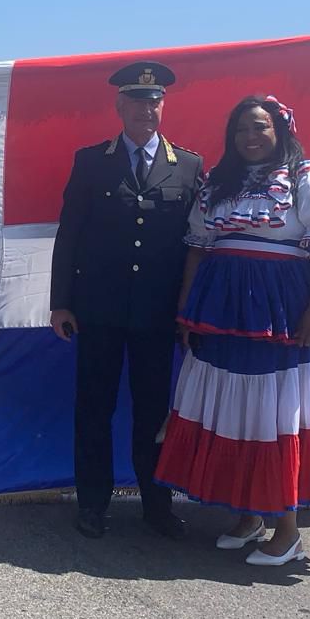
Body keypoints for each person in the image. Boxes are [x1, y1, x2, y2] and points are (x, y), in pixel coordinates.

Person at [155, 97, 310, 566]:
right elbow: (197, 248)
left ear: (281, 130)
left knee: (276, 410)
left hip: (280, 307)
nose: (249, 137)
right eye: (240, 130)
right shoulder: (219, 182)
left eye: (259, 127)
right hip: (222, 306)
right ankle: (250, 515)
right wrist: (187, 312)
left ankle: (287, 529)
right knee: (235, 407)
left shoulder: (305, 176)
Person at [49, 61, 203, 541]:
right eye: (137, 100)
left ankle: (156, 505)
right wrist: (61, 302)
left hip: (158, 317)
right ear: (120, 106)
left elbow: (197, 245)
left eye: (155, 101)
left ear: (164, 106)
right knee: (93, 408)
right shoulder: (91, 161)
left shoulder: (191, 166)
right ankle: (92, 504)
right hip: (99, 311)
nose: (147, 109)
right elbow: (69, 235)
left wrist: (190, 310)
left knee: (154, 414)